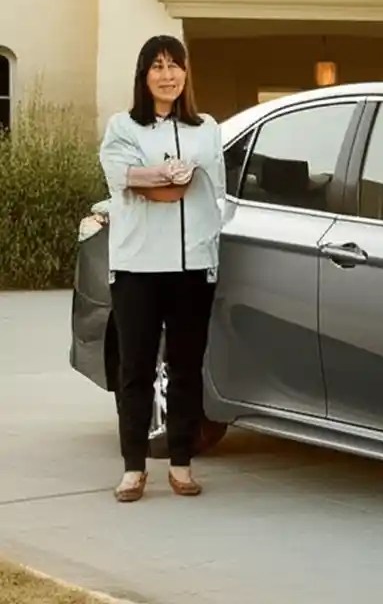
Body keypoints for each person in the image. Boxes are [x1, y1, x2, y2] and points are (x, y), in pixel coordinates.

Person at [98, 35, 225, 503]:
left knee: (186, 368)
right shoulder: (123, 127)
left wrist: (155, 178)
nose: (167, 75)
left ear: (186, 73)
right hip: (137, 267)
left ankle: (181, 464)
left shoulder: (206, 127)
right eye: (157, 66)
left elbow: (211, 189)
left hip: (194, 266)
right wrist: (168, 176)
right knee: (136, 369)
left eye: (175, 65)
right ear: (143, 75)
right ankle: (133, 469)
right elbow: (129, 181)